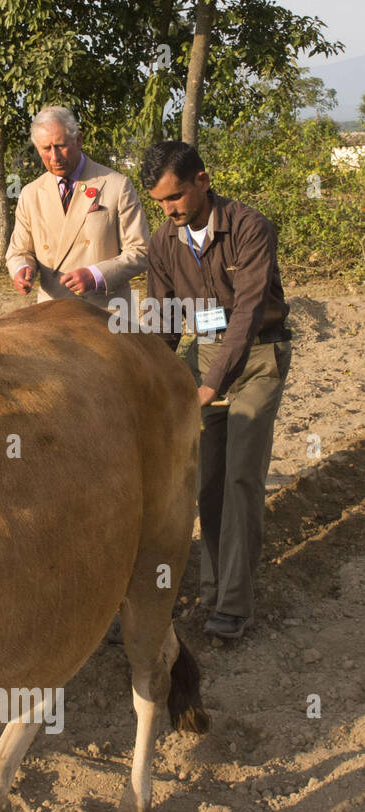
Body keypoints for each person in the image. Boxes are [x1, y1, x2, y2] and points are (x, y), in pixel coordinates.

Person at [141, 141, 292, 641]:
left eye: (176, 197)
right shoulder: (165, 241)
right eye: (160, 202)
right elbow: (162, 320)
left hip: (257, 359)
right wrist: (150, 377)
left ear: (202, 181)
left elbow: (248, 314)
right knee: (206, 482)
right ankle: (211, 589)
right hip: (204, 358)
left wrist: (208, 386)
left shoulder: (250, 228)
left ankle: (234, 604)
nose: (170, 210)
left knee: (241, 479)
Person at [6, 106, 149, 307]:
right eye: (46, 149)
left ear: (79, 140)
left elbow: (140, 251)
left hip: (107, 311)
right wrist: (21, 268)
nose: (55, 157)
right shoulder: (30, 194)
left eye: (61, 146)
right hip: (52, 311)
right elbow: (19, 250)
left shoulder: (117, 185)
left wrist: (96, 275)